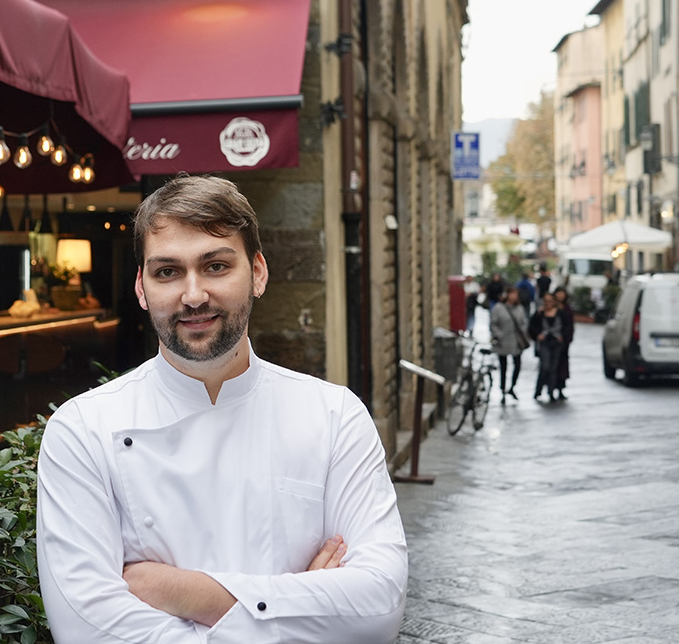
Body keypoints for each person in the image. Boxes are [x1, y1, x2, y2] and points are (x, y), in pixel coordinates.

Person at [36, 174, 407, 643]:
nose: (193, 296)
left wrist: (185, 594)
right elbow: (87, 630)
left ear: (258, 274)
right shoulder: (81, 430)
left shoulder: (335, 417)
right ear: (141, 289)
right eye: (167, 272)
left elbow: (379, 606)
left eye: (215, 266)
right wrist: (305, 604)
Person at [489, 287, 529, 403]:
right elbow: (493, 324)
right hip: (503, 341)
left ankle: (512, 387)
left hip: (516, 341)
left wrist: (523, 332)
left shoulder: (519, 308)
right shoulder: (498, 308)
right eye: (512, 294)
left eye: (516, 294)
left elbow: (524, 322)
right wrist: (498, 335)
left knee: (517, 364)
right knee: (503, 367)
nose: (514, 297)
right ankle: (502, 389)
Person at [528, 293, 567, 402]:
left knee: (553, 368)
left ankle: (551, 391)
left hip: (556, 343)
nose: (548, 303)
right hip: (544, 343)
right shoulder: (540, 313)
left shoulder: (560, 313)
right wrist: (537, 335)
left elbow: (567, 326)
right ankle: (538, 389)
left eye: (550, 301)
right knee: (545, 366)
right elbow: (531, 327)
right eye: (546, 301)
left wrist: (562, 336)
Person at [551, 288, 575, 401]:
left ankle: (560, 388)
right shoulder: (551, 307)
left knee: (562, 365)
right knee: (551, 365)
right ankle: (550, 387)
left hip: (563, 341)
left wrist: (566, 338)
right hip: (551, 341)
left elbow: (570, 325)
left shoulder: (567, 308)